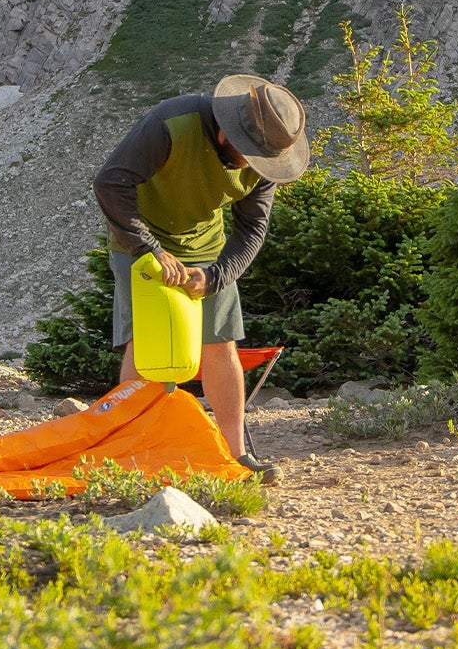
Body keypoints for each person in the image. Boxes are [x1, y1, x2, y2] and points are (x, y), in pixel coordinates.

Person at [93, 73, 310, 480]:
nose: (258, 166)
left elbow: (252, 230)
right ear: (230, 135)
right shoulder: (171, 123)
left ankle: (233, 456)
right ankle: (130, 453)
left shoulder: (266, 163)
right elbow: (110, 184)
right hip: (139, 239)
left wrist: (215, 277)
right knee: (146, 344)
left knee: (221, 343)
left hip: (205, 248)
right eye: (253, 155)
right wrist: (152, 250)